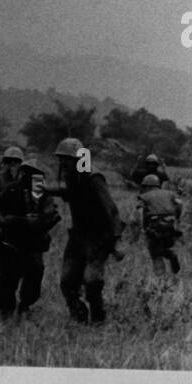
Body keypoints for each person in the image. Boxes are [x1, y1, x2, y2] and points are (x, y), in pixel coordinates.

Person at [49, 137, 122, 324]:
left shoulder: (93, 177)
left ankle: (98, 319)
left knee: (92, 281)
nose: (63, 163)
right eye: (61, 159)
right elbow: (72, 195)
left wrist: (117, 239)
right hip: (79, 236)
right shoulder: (73, 177)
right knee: (67, 281)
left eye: (67, 159)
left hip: (99, 237)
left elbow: (111, 209)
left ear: (78, 159)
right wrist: (48, 190)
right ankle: (79, 317)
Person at [0, 162, 61, 317]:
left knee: (34, 274)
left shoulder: (42, 193)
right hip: (12, 241)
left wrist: (41, 220)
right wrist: (2, 219)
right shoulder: (12, 189)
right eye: (26, 173)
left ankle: (25, 305)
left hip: (33, 243)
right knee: (8, 277)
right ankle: (6, 310)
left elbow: (51, 214)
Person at [136, 173, 183, 275]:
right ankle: (171, 254)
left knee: (156, 254)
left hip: (154, 227)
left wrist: (141, 228)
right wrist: (177, 217)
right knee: (165, 247)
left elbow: (139, 211)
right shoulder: (170, 193)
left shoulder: (144, 196)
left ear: (147, 186)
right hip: (170, 226)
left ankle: (160, 280)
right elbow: (179, 204)